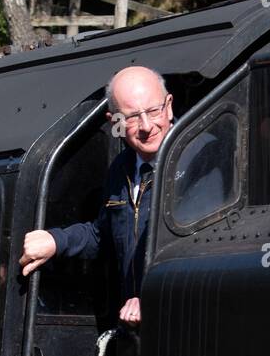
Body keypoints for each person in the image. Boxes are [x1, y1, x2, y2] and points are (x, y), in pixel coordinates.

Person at [19, 65, 175, 328]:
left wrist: (154, 294)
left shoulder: (200, 157)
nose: (147, 126)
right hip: (135, 328)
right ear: (114, 122)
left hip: (182, 319)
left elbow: (200, 244)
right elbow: (103, 235)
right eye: (133, 117)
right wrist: (56, 241)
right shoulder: (121, 168)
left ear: (169, 106)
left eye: (153, 111)